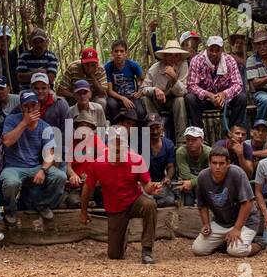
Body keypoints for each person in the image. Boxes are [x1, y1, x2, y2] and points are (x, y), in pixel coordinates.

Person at [80, 110, 160, 264]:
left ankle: (147, 250)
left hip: (134, 200)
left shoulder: (136, 159)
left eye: (121, 142)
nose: (117, 146)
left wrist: (153, 188)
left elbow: (147, 186)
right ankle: (123, 236)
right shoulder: (97, 164)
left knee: (150, 205)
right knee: (114, 255)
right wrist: (83, 212)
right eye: (114, 142)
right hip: (115, 207)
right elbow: (87, 188)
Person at [0, 88, 66, 224]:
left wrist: (43, 170)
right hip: (13, 167)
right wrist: (24, 123)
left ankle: (42, 204)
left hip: (34, 166)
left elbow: (50, 153)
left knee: (60, 176)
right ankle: (10, 210)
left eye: (33, 105)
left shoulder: (45, 127)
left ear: (39, 106)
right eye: (26, 106)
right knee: (12, 183)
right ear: (21, 107)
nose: (30, 109)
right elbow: (7, 141)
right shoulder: (11, 120)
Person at [191, 143, 262, 257]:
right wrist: (206, 224)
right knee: (198, 250)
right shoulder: (203, 177)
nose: (217, 167)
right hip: (221, 222)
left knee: (236, 251)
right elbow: (202, 204)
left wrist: (237, 229)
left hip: (246, 222)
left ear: (228, 163)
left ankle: (258, 244)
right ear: (209, 163)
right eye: (214, 163)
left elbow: (248, 202)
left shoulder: (237, 173)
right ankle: (225, 242)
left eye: (221, 163)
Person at [186, 35, 246, 132]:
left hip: (223, 100)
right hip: (204, 99)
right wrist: (208, 95)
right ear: (206, 49)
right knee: (190, 98)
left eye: (217, 50)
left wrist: (224, 94)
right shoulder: (197, 60)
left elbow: (238, 84)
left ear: (222, 50)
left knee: (242, 98)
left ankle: (232, 132)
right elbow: (191, 85)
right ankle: (198, 133)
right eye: (211, 50)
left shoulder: (230, 60)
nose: (214, 53)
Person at [140, 44, 189, 140]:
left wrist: (174, 79)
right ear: (165, 56)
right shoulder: (155, 68)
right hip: (157, 102)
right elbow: (143, 89)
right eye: (170, 55)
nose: (173, 58)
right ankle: (156, 131)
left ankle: (181, 140)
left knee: (180, 100)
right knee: (145, 99)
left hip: (173, 101)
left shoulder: (183, 65)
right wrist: (155, 89)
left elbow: (183, 92)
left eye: (176, 55)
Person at [103, 40, 143, 122]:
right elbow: (109, 91)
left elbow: (143, 79)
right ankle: (115, 129)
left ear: (126, 53)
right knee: (111, 105)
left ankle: (137, 134)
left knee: (140, 111)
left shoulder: (133, 65)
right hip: (115, 96)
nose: (119, 54)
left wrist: (140, 90)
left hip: (131, 96)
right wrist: (122, 98)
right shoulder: (108, 67)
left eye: (121, 51)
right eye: (116, 51)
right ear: (112, 53)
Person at [144, 113, 178, 206]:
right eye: (151, 129)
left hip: (160, 183)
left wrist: (167, 178)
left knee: (168, 200)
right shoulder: (140, 143)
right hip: (144, 183)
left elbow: (170, 167)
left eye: (157, 128)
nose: (155, 132)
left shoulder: (168, 144)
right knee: (146, 201)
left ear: (162, 128)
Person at [173, 125, 210, 206]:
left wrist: (193, 182)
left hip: (204, 184)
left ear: (202, 140)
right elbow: (185, 175)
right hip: (185, 182)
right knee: (187, 202)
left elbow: (211, 175)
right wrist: (197, 181)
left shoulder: (209, 152)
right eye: (188, 139)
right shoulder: (181, 152)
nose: (190, 142)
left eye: (194, 140)